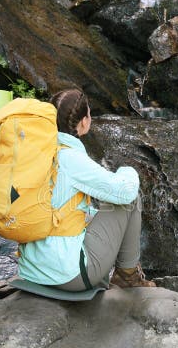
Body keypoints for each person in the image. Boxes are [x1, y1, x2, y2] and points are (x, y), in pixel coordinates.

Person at [17, 88, 156, 290]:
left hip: (32, 271)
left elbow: (62, 208)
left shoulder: (37, 152)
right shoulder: (71, 158)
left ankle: (127, 275)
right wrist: (128, 170)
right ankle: (128, 276)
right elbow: (125, 192)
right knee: (131, 199)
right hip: (66, 276)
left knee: (96, 211)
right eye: (90, 113)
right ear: (84, 121)